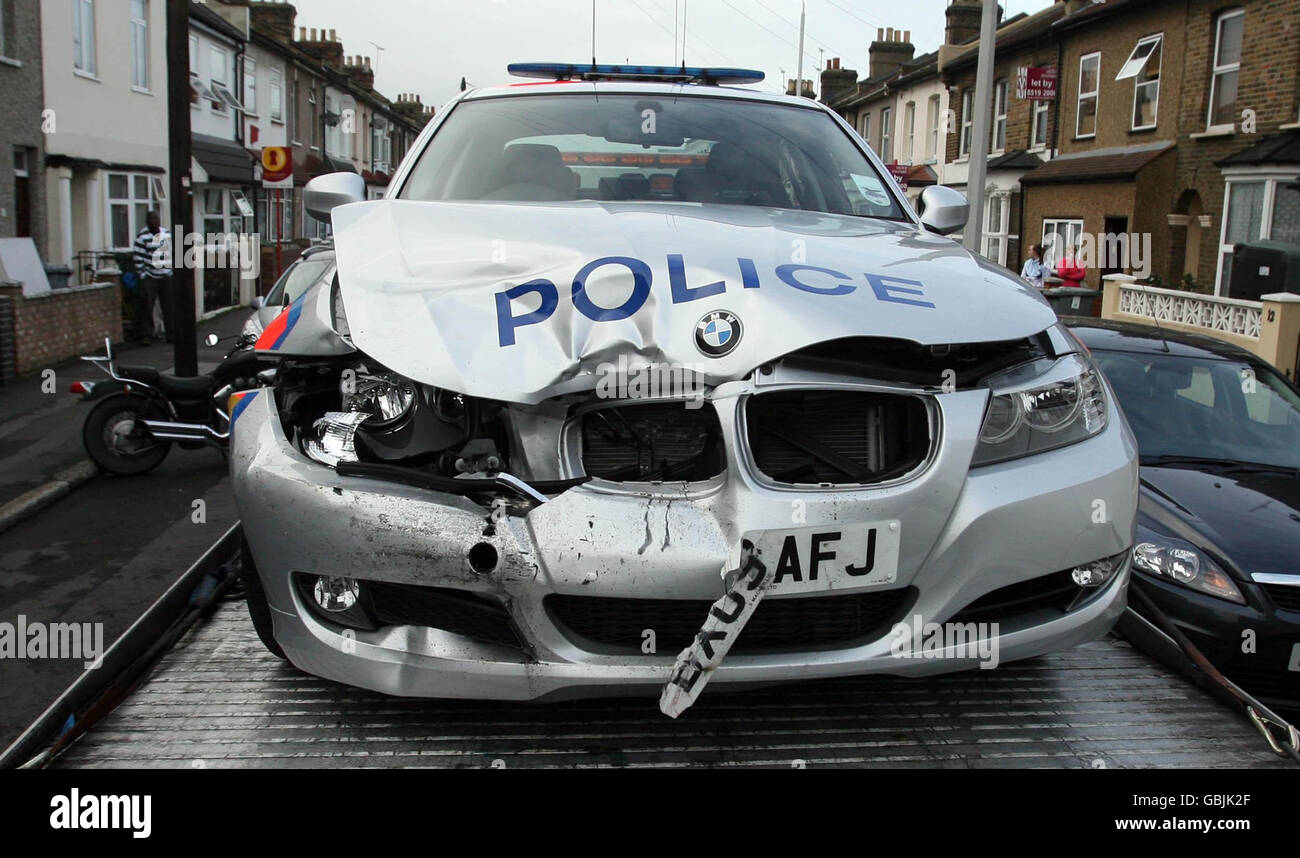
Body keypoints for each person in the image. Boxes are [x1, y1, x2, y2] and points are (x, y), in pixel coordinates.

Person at [133, 212, 174, 344]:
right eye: (151, 219)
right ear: (147, 222)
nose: (154, 221)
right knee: (146, 306)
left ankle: (171, 334)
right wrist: (142, 275)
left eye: (156, 218)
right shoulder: (142, 237)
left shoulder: (167, 234)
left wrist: (171, 270)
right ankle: (147, 335)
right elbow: (138, 256)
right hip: (150, 276)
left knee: (169, 306)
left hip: (166, 275)